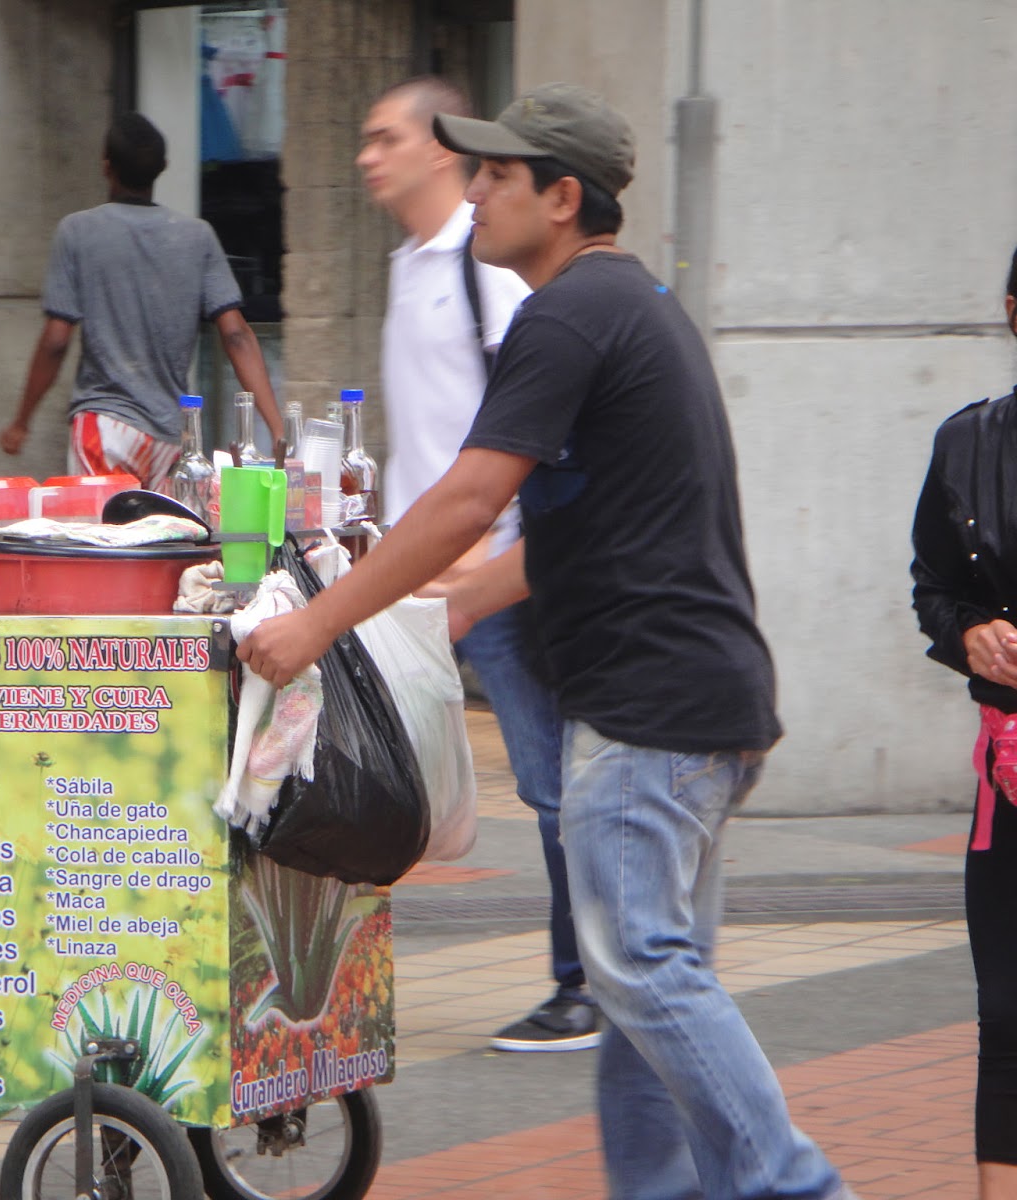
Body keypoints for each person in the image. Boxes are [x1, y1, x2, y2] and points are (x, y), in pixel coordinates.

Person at [240, 83, 854, 1200]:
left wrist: (316, 624)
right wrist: (451, 608)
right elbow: (567, 525)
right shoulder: (628, 307)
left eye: (495, 176)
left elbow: (471, 497)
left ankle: (799, 1191)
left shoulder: (566, 315)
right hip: (697, 698)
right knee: (644, 985)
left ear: (562, 199)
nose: (472, 193)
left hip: (646, 710)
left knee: (644, 973)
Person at [357, 76, 595, 1052]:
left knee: (549, 780)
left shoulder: (483, 263)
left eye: (386, 137)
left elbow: (527, 430)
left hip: (491, 572)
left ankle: (585, 983)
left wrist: (498, 564)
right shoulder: (411, 263)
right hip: (431, 578)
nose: (369, 155)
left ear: (438, 152)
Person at [0, 112, 282, 486]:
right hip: (172, 439)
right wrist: (277, 428)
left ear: (106, 167)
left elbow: (56, 340)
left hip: (105, 429)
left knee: (104, 541)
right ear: (163, 168)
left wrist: (21, 422)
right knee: (164, 541)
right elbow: (237, 335)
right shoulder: (198, 238)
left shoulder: (78, 232)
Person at [910, 245, 1017, 1200]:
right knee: (1007, 1009)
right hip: (1010, 770)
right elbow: (933, 587)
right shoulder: (970, 443)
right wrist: (970, 633)